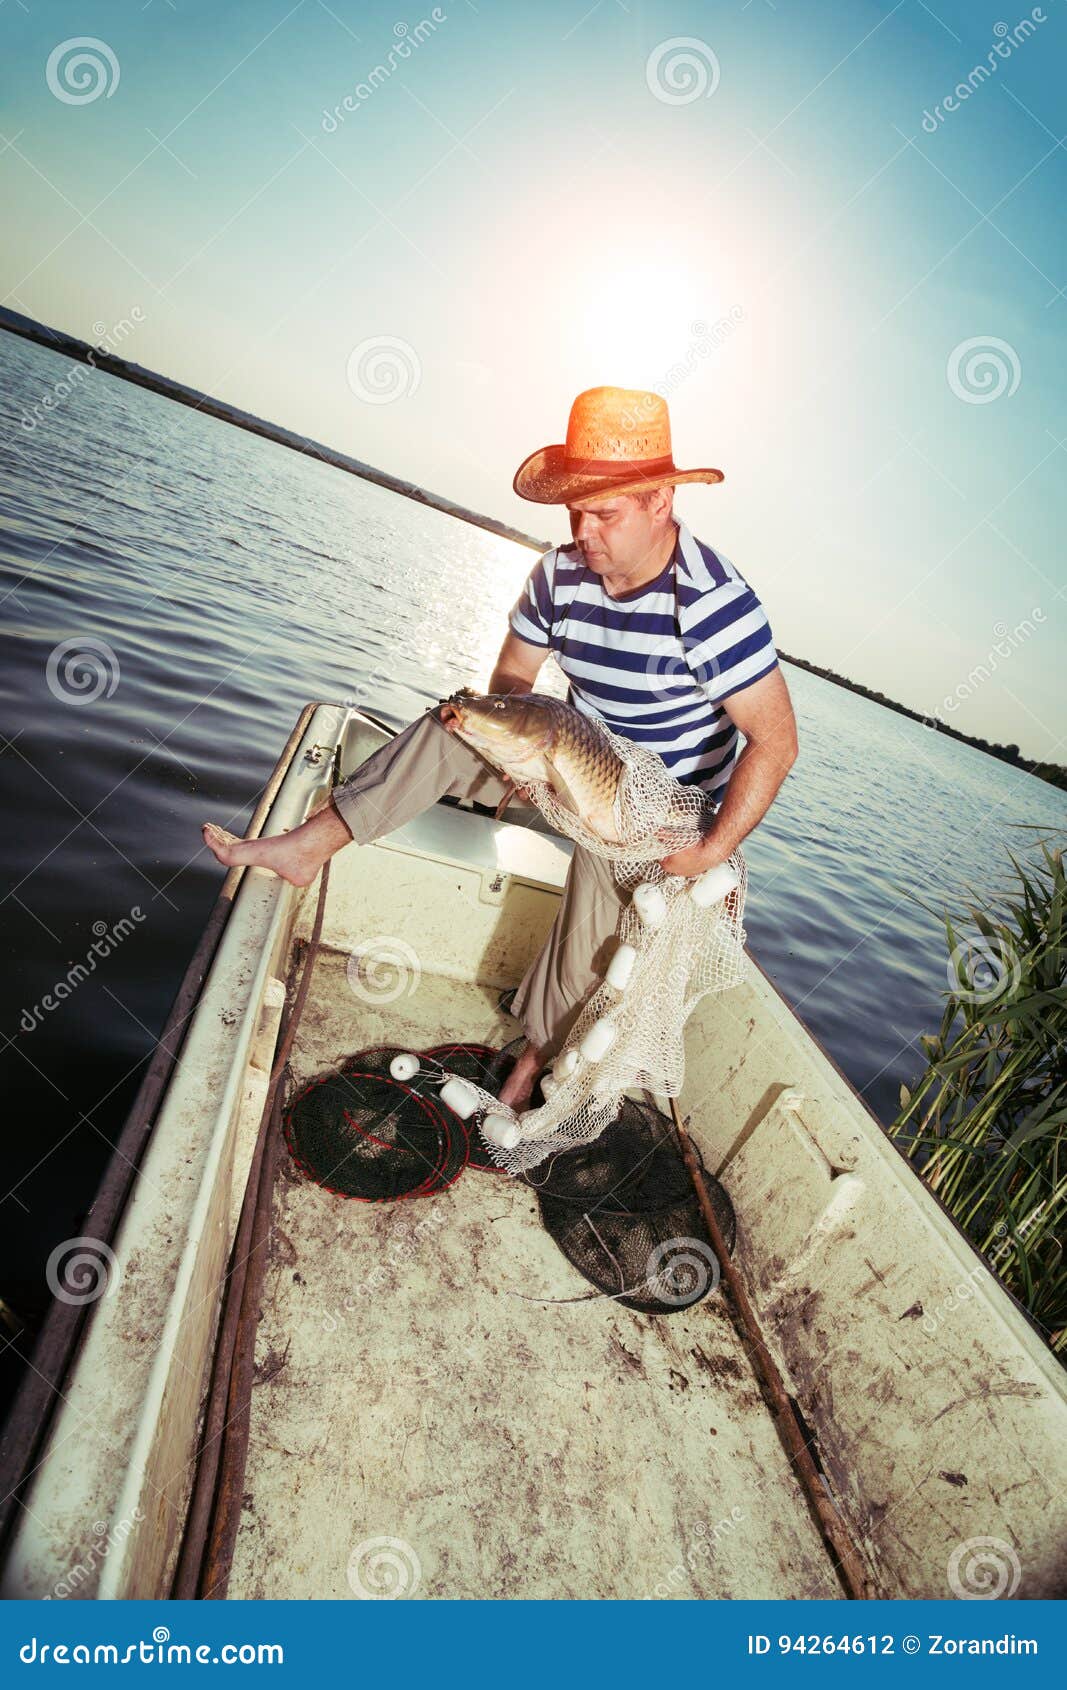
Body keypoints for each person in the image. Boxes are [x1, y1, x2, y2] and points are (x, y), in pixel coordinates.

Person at [202, 385, 799, 1109]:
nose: (584, 530)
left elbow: (774, 742)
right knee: (454, 721)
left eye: (603, 513)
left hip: (652, 812)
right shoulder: (558, 575)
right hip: (563, 762)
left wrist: (709, 851)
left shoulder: (711, 604)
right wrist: (518, 758)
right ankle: (308, 846)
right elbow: (513, 678)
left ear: (658, 504)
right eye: (574, 511)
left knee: (595, 925)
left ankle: (524, 1077)